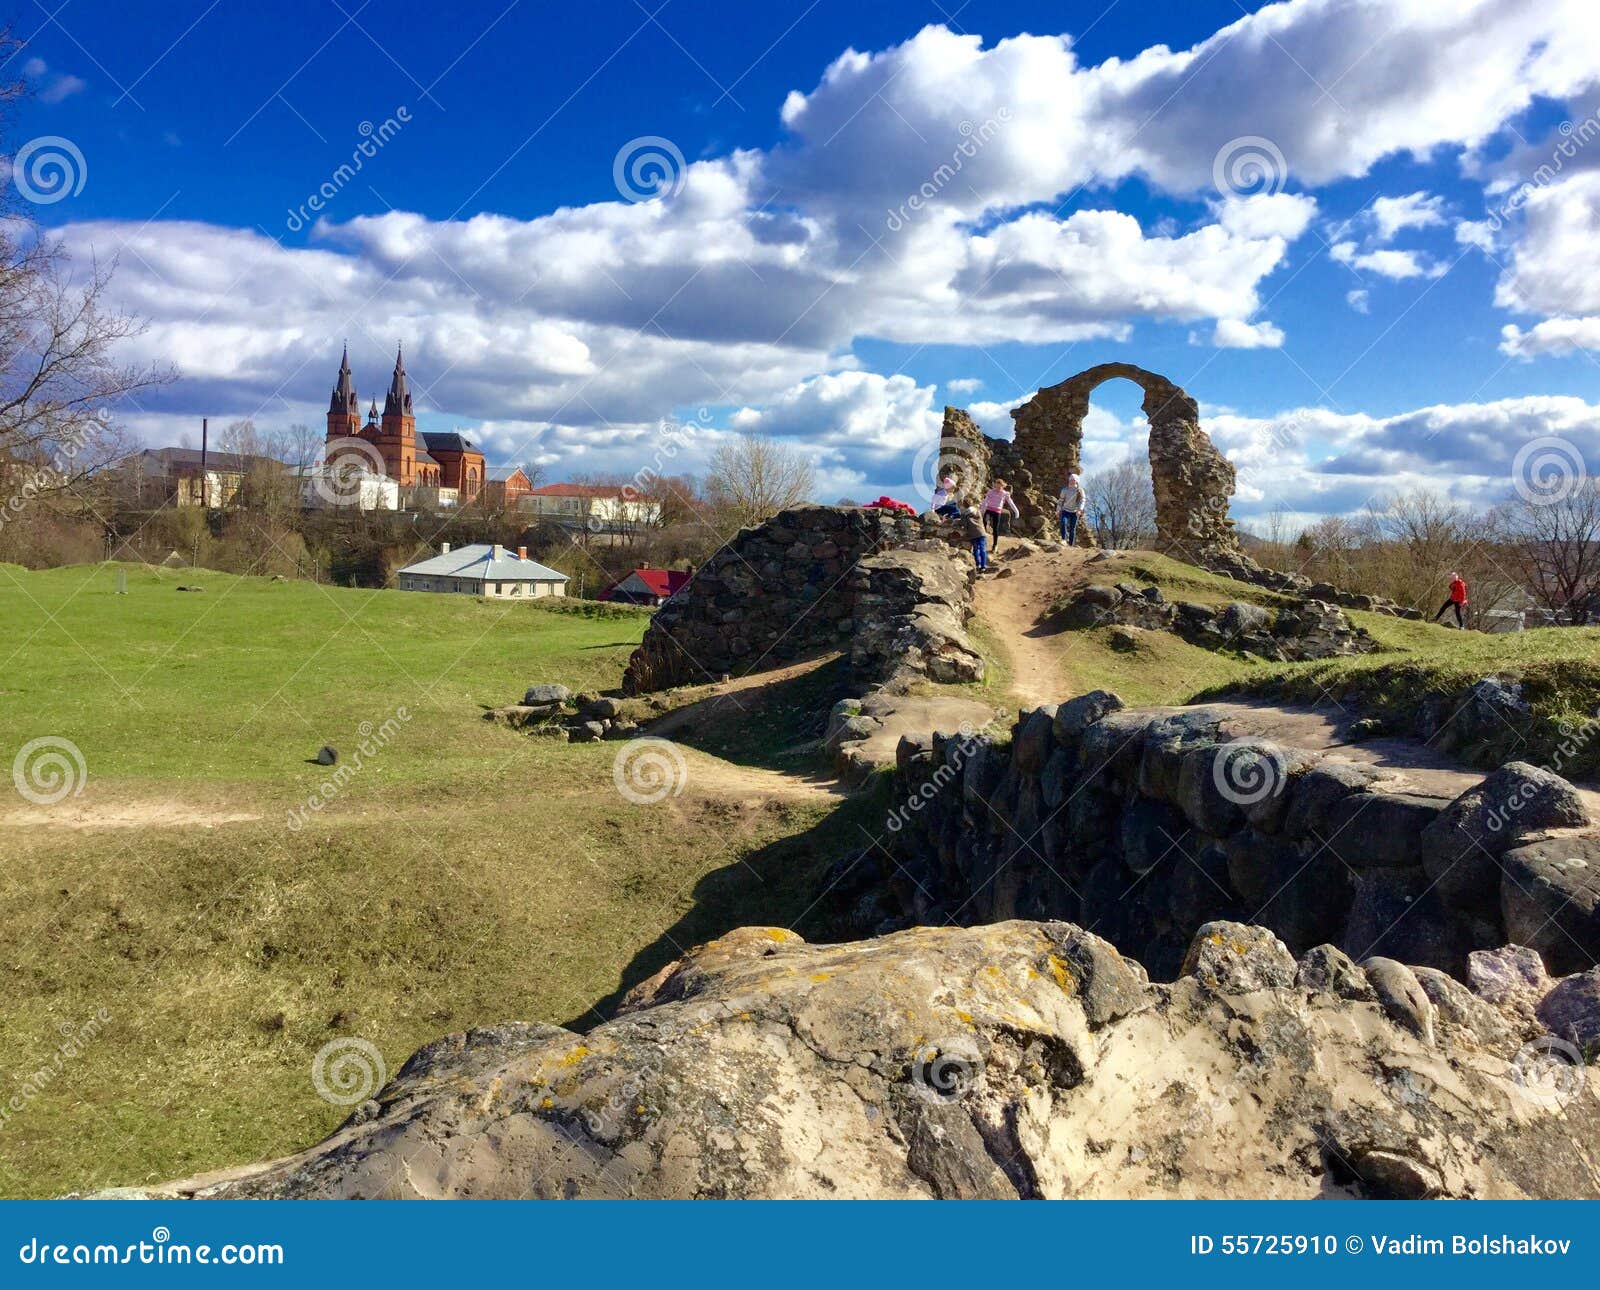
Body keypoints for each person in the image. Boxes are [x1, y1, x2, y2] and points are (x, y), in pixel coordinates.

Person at [982, 478, 1020, 551]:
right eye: (996, 487)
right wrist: (982, 511)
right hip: (989, 510)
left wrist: (1016, 511)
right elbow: (985, 501)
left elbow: (1011, 503)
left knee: (996, 529)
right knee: (984, 525)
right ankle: (983, 543)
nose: (997, 489)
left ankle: (995, 545)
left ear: (1002, 486)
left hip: (997, 512)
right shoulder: (990, 492)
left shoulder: (1005, 494)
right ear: (994, 486)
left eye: (999, 487)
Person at [1058, 472, 1086, 546]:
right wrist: (1058, 510)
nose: (1071, 481)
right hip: (1065, 510)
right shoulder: (1064, 490)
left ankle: (1070, 544)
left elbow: (1083, 500)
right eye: (1070, 479)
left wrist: (1080, 510)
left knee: (1072, 528)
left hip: (1075, 511)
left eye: (1073, 480)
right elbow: (1060, 501)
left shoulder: (1080, 490)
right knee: (1063, 522)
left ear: (1076, 481)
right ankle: (1064, 539)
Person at [960, 507, 988, 571]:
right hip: (981, 533)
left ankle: (978, 564)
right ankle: (983, 566)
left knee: (976, 549)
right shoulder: (978, 511)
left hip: (973, 535)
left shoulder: (965, 515)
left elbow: (963, 524)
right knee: (982, 549)